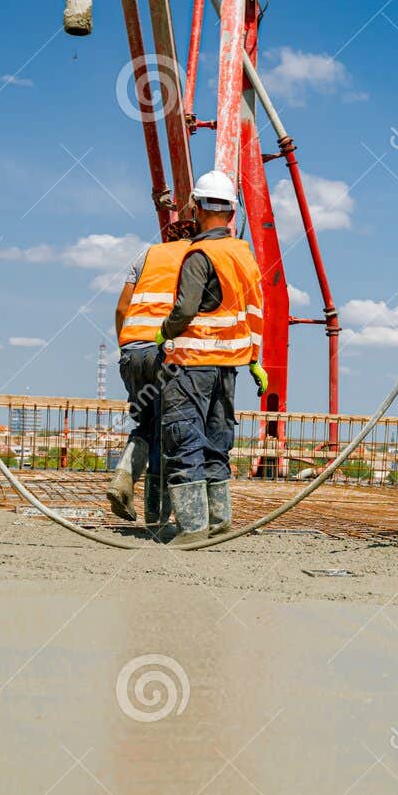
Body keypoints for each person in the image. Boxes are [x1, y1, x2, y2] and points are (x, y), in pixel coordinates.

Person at [157, 171, 266, 544]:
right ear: (232, 212)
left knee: (185, 436)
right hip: (228, 367)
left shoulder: (200, 254)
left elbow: (185, 309)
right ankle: (219, 521)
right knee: (217, 439)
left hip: (193, 363)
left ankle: (192, 528)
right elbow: (255, 311)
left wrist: (165, 332)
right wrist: (254, 358)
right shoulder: (243, 255)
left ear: (196, 208)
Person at [107, 222, 193, 531]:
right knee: (166, 430)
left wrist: (126, 345)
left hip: (132, 350)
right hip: (163, 351)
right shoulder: (195, 256)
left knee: (145, 424)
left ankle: (122, 479)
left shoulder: (145, 256)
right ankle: (157, 517)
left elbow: (121, 308)